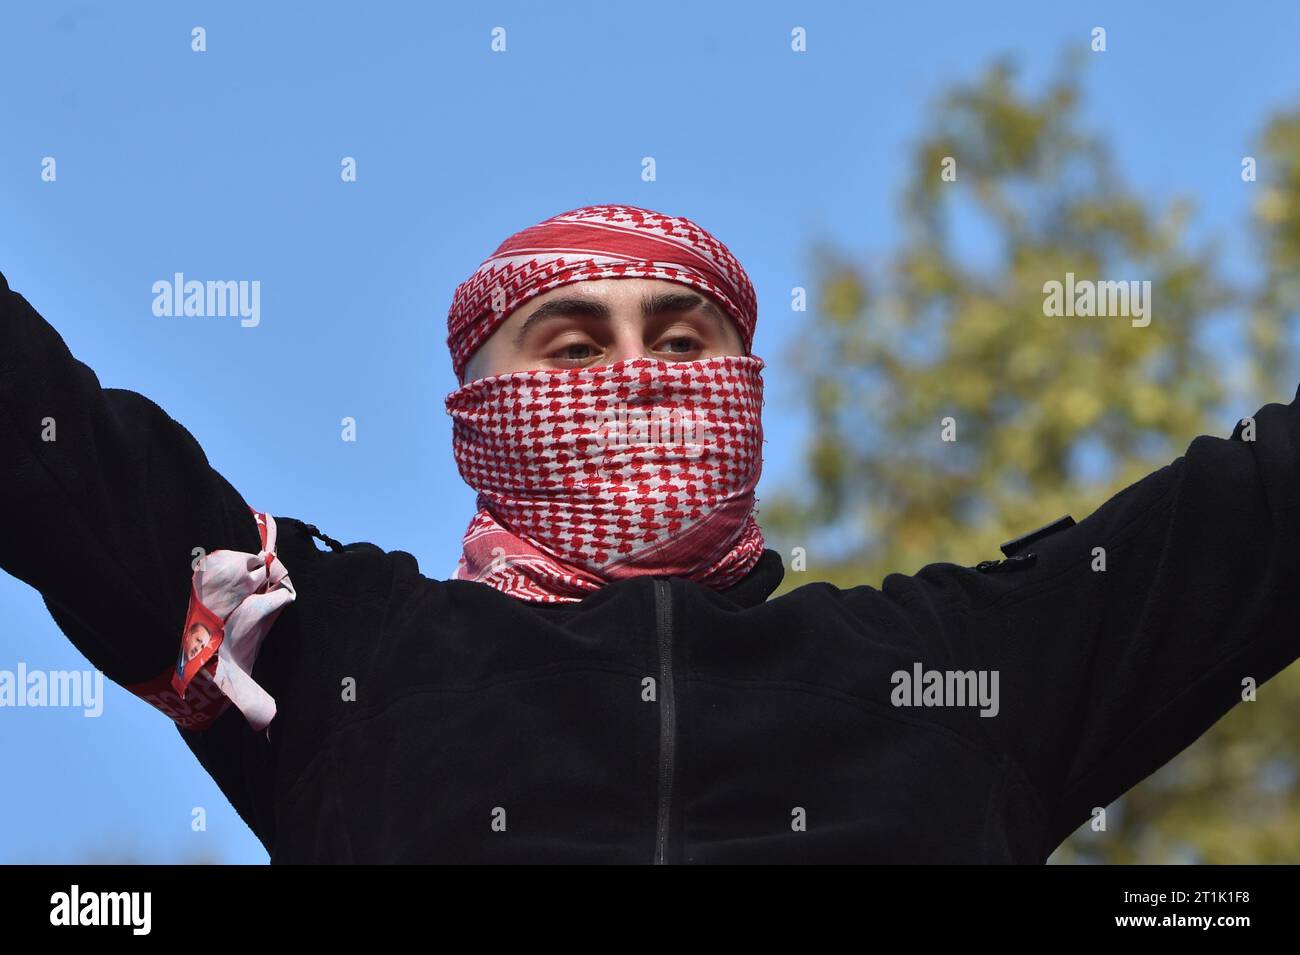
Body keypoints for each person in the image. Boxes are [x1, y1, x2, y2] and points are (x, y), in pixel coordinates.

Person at [2, 203, 1298, 863]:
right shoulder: (331, 654)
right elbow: (42, 443)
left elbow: (1263, 518)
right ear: (479, 412)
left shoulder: (954, 666)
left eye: (684, 344)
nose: (635, 375)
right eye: (573, 348)